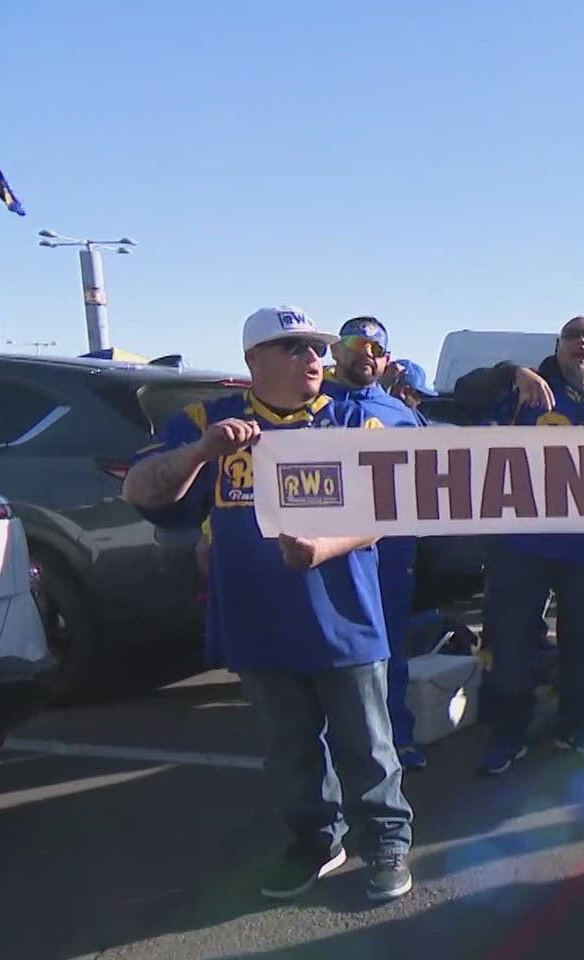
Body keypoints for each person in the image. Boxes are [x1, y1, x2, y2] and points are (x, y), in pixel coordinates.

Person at [122, 306, 412, 903]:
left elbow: (390, 511)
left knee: (368, 746)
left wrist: (325, 546)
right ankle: (315, 841)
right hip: (256, 623)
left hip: (345, 620)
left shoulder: (356, 422)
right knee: (289, 752)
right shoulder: (207, 421)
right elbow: (141, 489)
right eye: (295, 348)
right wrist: (200, 452)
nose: (314, 358)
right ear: (254, 359)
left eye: (316, 348)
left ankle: (385, 841)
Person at [472, 317, 584, 775]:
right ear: (557, 346)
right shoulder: (526, 388)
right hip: (520, 546)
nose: (583, 344)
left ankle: (576, 727)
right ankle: (508, 734)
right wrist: (511, 371)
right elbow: (466, 396)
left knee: (581, 644)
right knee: (512, 644)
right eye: (573, 336)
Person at [327, 317, 431, 770]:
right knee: (331, 650)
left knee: (390, 645)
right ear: (336, 351)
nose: (365, 354)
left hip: (390, 550)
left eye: (375, 349)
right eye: (355, 344)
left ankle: (396, 736)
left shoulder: (402, 415)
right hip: (328, 550)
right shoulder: (312, 404)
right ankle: (334, 744)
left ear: (385, 361)